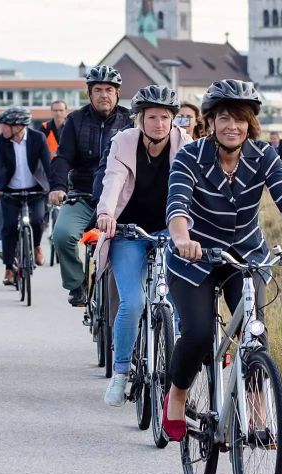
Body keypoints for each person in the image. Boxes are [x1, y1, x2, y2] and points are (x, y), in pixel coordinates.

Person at [160, 79, 282, 441]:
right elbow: (177, 203)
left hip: (246, 255)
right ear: (211, 121)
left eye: (240, 119)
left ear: (251, 123)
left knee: (254, 332)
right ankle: (177, 394)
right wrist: (181, 238)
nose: (232, 126)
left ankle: (256, 414)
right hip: (196, 257)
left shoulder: (264, 156)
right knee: (199, 334)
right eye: (223, 118)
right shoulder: (190, 156)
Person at [95, 85, 190, 406]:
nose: (159, 123)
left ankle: (179, 380)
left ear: (173, 120)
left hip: (170, 229)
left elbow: (193, 187)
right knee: (132, 302)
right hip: (128, 230)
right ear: (140, 119)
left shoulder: (183, 143)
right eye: (152, 117)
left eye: (165, 117)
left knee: (176, 302)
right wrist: (106, 213)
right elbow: (113, 179)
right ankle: (121, 373)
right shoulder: (123, 142)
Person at [50, 65, 132, 306]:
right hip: (83, 195)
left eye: (109, 89)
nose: (104, 94)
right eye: (98, 89)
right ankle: (77, 284)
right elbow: (63, 157)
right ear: (89, 93)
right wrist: (58, 186)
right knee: (62, 235)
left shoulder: (130, 120)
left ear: (117, 93)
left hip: (121, 198)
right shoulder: (75, 120)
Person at [0, 107, 51, 283]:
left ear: (19, 127)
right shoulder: (1, 141)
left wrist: (54, 188)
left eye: (5, 126)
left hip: (35, 190)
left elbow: (47, 165)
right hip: (10, 190)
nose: (2, 129)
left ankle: (37, 246)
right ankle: (9, 268)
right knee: (8, 227)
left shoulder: (37, 138)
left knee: (38, 220)